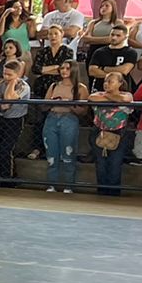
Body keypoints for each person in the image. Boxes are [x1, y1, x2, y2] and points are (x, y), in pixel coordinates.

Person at [42, 61, 87, 193]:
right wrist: (52, 102)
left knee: (68, 153)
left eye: (67, 68)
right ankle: (51, 184)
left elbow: (84, 111)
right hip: (52, 117)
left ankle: (69, 185)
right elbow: (43, 105)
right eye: (62, 68)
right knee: (51, 154)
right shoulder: (54, 85)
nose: (64, 71)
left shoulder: (80, 88)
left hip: (69, 119)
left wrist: (70, 104)